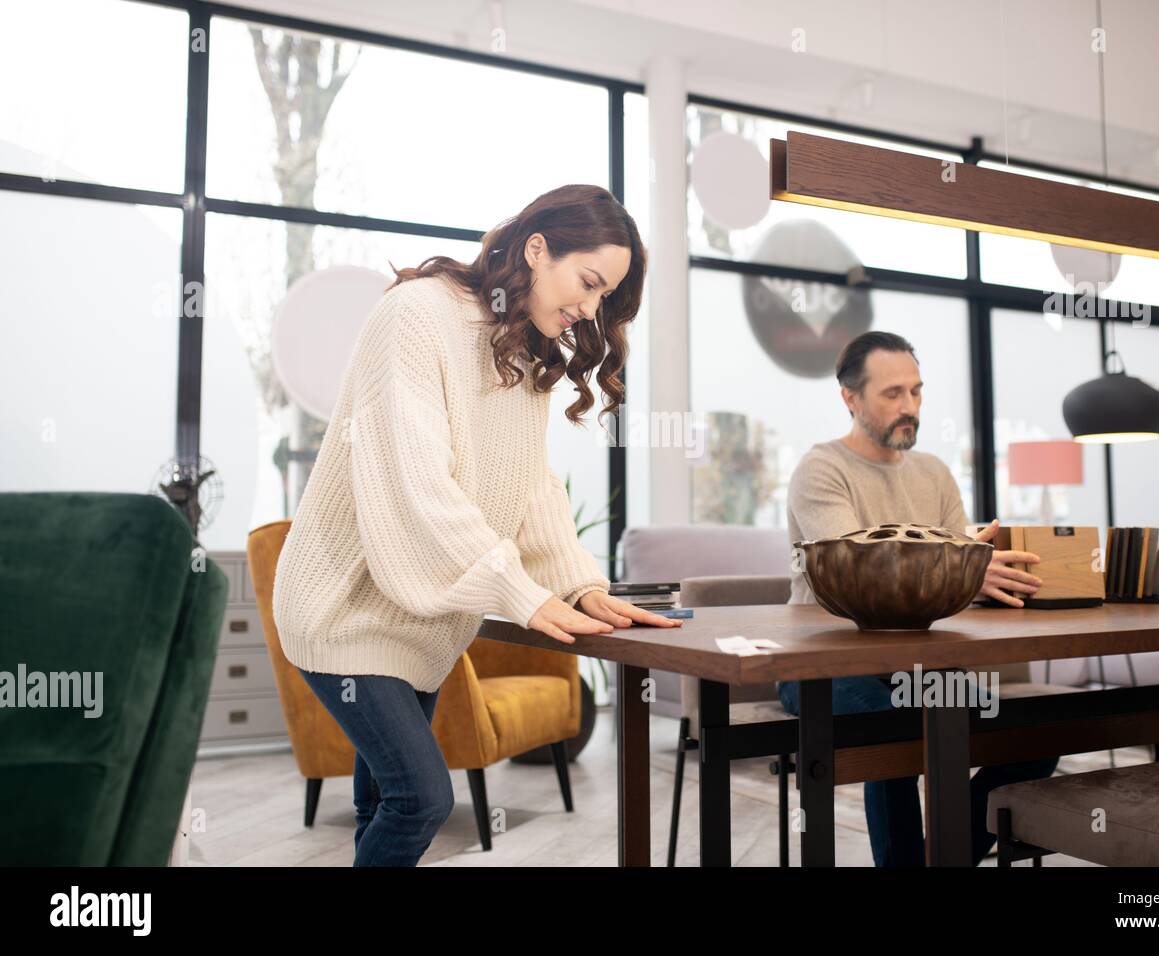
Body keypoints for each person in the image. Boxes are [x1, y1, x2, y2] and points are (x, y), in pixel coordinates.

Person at [273, 184, 681, 866]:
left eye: (604, 297)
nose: (589, 309)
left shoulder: (521, 352)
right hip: (344, 613)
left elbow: (531, 488)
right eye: (587, 283)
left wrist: (581, 585)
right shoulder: (416, 316)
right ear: (536, 248)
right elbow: (417, 485)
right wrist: (524, 596)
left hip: (422, 625)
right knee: (421, 800)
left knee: (383, 808)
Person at [781, 330, 1058, 866]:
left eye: (916, 391)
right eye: (892, 394)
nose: (910, 407)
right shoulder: (821, 470)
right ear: (850, 398)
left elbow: (959, 568)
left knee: (1036, 735)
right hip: (818, 665)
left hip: (916, 665)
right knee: (902, 728)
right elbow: (859, 578)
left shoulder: (933, 472)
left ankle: (940, 860)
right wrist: (960, 572)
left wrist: (980, 571)